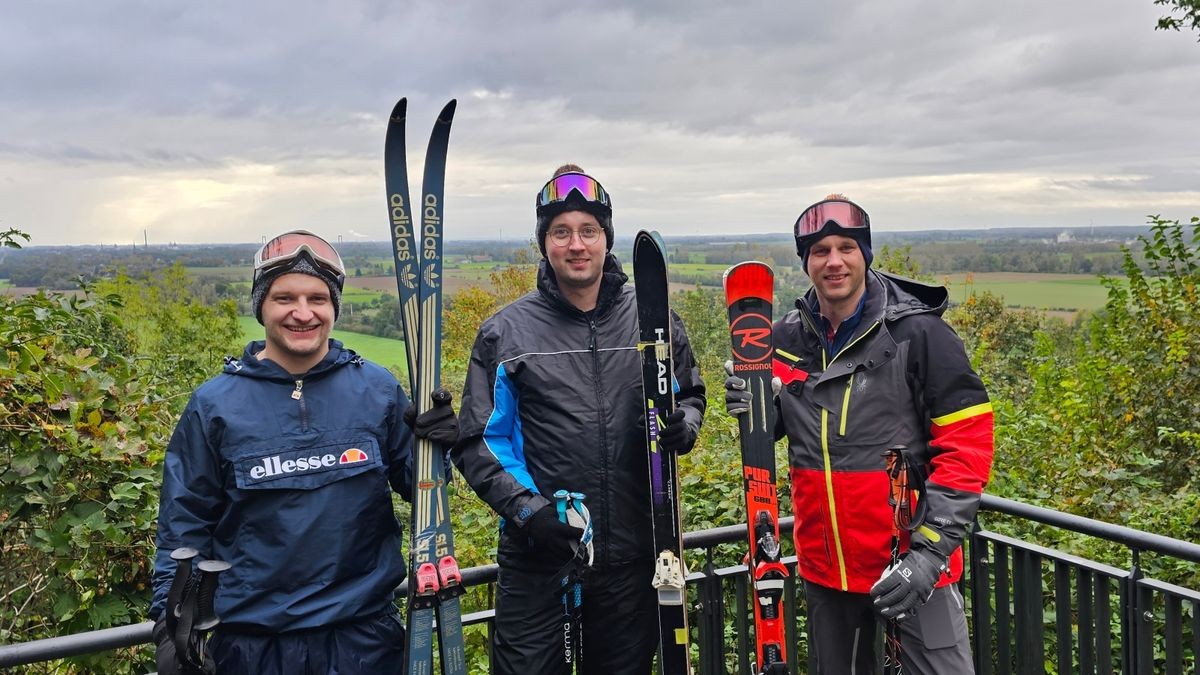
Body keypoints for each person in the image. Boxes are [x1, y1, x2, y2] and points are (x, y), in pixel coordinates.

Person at [149, 230, 459, 675]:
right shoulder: (215, 405)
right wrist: (170, 622)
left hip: (365, 640)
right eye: (284, 298)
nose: (302, 313)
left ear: (334, 307)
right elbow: (184, 524)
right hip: (252, 646)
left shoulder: (376, 389)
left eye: (317, 299)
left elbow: (421, 488)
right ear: (261, 306)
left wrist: (439, 446)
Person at [452, 165, 707, 674]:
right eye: (560, 232)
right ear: (543, 243)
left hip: (635, 555)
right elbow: (479, 441)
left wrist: (686, 425)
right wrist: (530, 511)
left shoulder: (652, 316)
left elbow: (691, 393)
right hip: (541, 556)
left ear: (605, 239)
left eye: (588, 231)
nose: (576, 244)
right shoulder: (506, 333)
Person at [725, 195, 993, 673]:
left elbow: (967, 446)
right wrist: (756, 410)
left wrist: (929, 555)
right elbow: (789, 428)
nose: (834, 261)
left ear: (865, 254)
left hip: (910, 568)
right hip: (827, 572)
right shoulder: (785, 339)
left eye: (846, 247)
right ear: (805, 261)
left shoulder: (919, 334)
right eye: (820, 250)